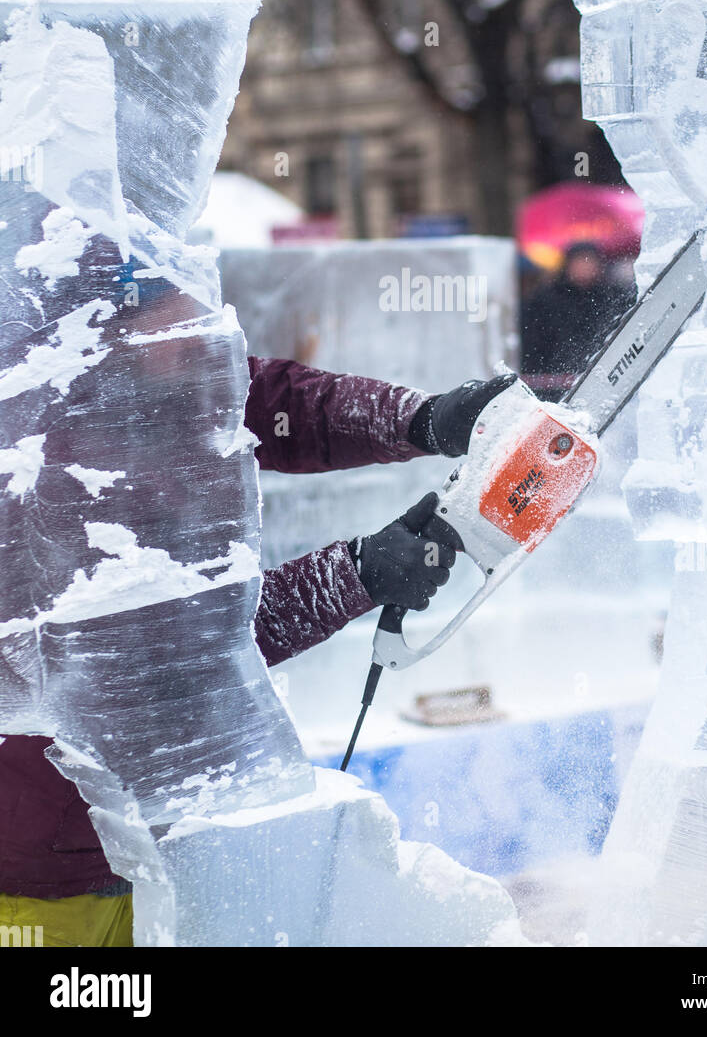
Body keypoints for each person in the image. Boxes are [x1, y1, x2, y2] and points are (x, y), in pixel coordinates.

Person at [0, 357, 510, 947]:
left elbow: (248, 399)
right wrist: (354, 575)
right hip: (35, 867)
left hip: (148, 829)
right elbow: (150, 650)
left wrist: (419, 419)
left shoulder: (106, 346)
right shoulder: (30, 434)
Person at [520, 241, 636, 397]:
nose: (584, 268)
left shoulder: (614, 297)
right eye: (579, 261)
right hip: (552, 384)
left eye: (589, 261)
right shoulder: (545, 299)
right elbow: (532, 342)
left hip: (605, 380)